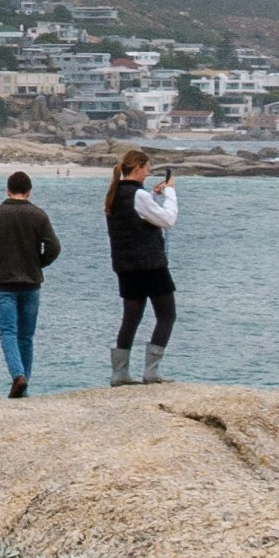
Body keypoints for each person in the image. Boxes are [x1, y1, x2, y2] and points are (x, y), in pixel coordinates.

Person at [0, 167, 58, 396]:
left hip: (3, 284)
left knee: (8, 333)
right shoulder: (39, 215)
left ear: (8, 190)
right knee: (26, 336)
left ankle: (17, 376)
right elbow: (54, 247)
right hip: (31, 282)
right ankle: (24, 383)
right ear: (29, 192)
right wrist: (38, 263)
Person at [103, 146, 181, 384]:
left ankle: (120, 373)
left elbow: (136, 219)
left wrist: (152, 195)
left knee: (131, 318)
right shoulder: (139, 195)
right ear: (137, 168)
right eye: (147, 169)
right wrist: (169, 193)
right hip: (150, 264)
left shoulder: (114, 194)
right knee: (167, 315)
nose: (148, 173)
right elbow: (167, 220)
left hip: (125, 265)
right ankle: (152, 371)